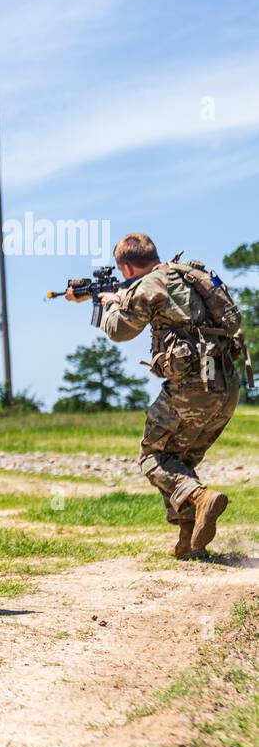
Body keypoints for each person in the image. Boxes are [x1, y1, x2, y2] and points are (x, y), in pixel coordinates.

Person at [69, 232, 249, 557]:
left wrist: (102, 305)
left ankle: (201, 498)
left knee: (152, 456)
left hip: (192, 387)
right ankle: (189, 544)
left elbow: (118, 331)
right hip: (226, 384)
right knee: (178, 460)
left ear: (125, 268)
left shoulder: (148, 285)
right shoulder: (187, 275)